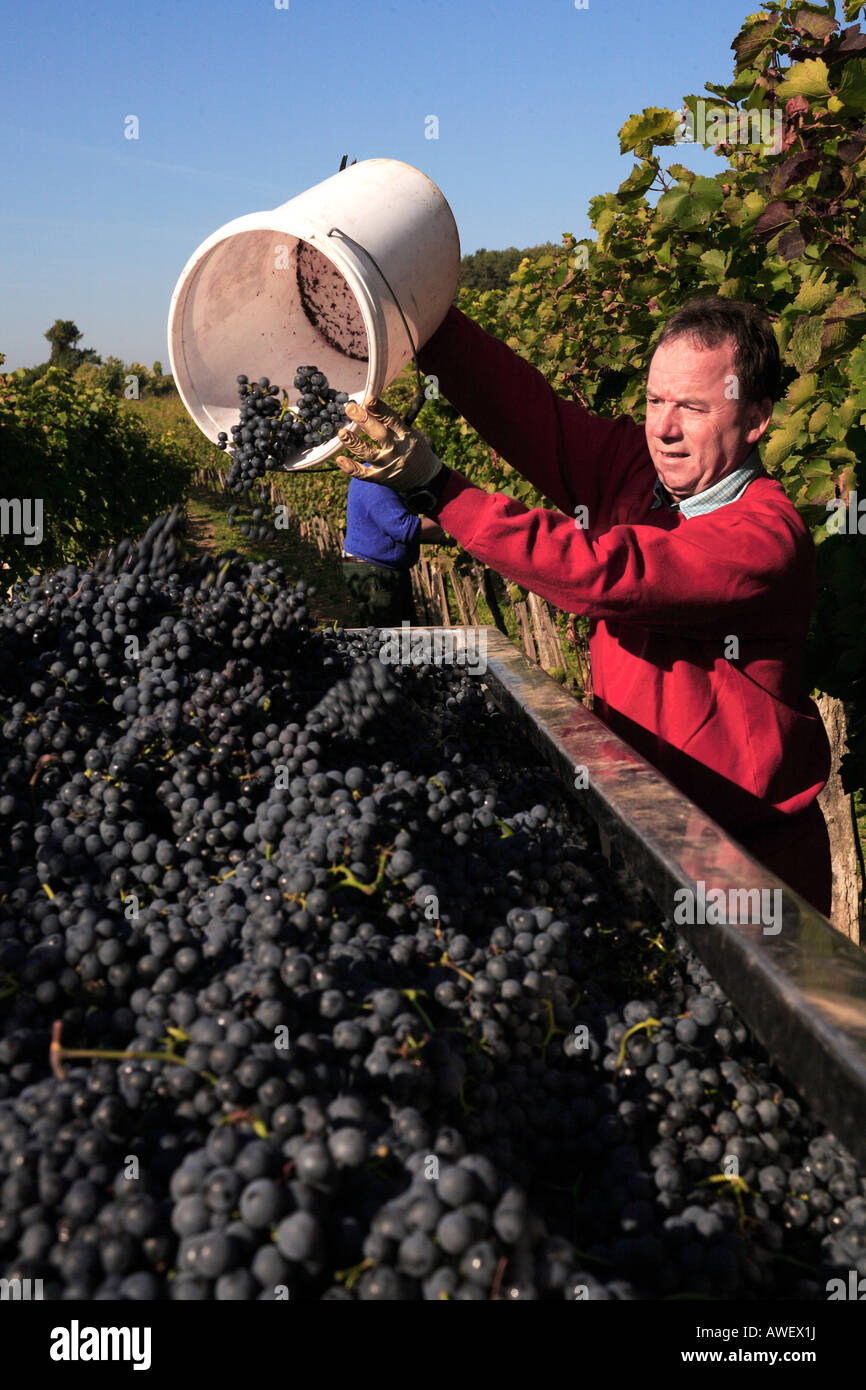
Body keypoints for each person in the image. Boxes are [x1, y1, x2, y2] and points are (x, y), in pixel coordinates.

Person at [333, 296, 833, 918]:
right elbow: (524, 410)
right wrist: (417, 317)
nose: (665, 428)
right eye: (654, 401)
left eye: (693, 408)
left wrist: (440, 489)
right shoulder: (634, 470)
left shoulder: (764, 536)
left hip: (745, 869)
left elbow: (607, 574)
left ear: (756, 419)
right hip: (639, 829)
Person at [341, 474, 450, 627]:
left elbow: (386, 531)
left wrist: (442, 538)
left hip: (385, 567)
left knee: (405, 633)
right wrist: (453, 519)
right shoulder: (373, 481)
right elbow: (403, 528)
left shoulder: (387, 477)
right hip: (374, 571)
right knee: (386, 637)